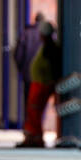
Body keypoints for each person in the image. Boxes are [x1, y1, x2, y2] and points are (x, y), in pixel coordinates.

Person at [17, 18, 61, 148]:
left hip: (42, 84)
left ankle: (34, 138)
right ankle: (32, 137)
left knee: (34, 112)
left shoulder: (50, 48)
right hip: (39, 83)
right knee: (33, 112)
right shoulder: (48, 46)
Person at [12, 12, 46, 122]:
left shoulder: (25, 34)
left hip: (28, 75)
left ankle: (29, 127)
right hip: (44, 76)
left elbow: (18, 55)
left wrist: (21, 69)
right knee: (42, 102)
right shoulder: (49, 35)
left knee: (29, 101)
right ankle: (39, 124)